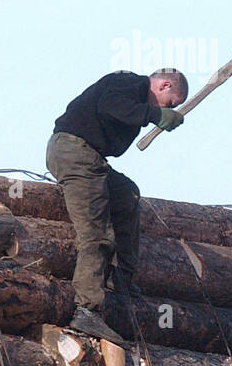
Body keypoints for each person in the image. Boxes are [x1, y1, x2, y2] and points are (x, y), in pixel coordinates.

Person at [45, 68, 188, 341]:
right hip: (74, 152)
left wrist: (150, 115)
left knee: (127, 194)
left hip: (91, 157)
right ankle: (86, 309)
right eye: (170, 104)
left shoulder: (137, 103)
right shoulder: (128, 83)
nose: (167, 110)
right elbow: (112, 106)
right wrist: (155, 115)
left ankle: (121, 277)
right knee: (96, 233)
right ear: (164, 85)